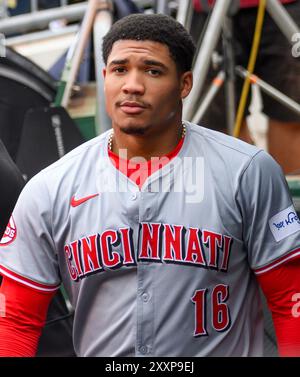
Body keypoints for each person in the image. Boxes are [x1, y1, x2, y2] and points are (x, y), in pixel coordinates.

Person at [0, 13, 300, 357]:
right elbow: (17, 318)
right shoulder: (50, 187)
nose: (132, 85)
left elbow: (289, 297)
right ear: (105, 77)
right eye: (119, 69)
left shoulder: (247, 172)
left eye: (152, 71)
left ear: (184, 84)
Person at [191, 0, 300, 174]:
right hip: (207, 8)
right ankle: (243, 191)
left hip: (284, 6)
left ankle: (288, 197)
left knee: (290, 115)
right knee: (218, 125)